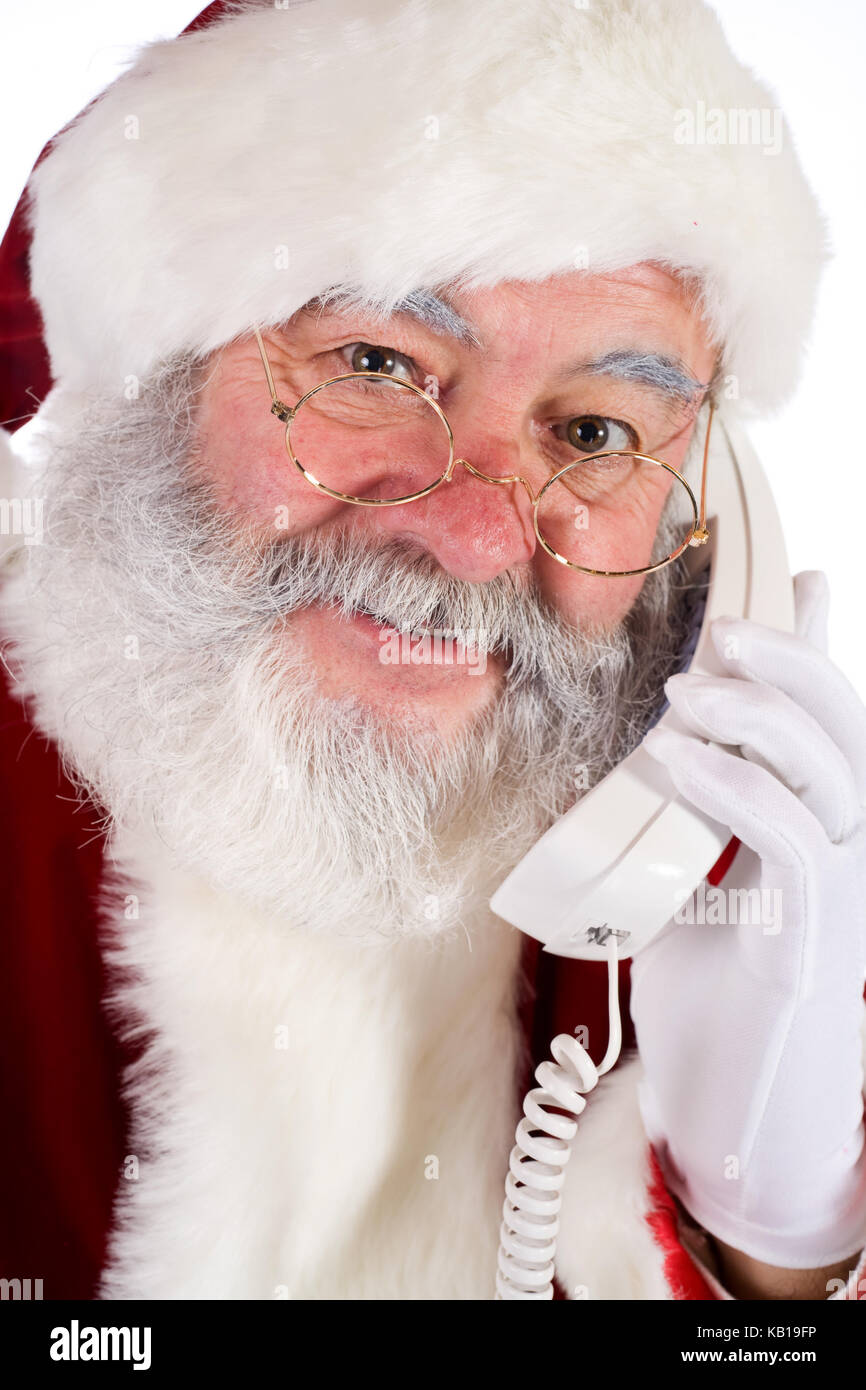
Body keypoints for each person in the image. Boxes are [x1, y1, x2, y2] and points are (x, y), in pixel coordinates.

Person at [1, 0, 864, 1301]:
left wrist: (771, 1235)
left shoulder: (727, 888)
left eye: (591, 432)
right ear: (153, 366)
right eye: (374, 360)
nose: (471, 535)